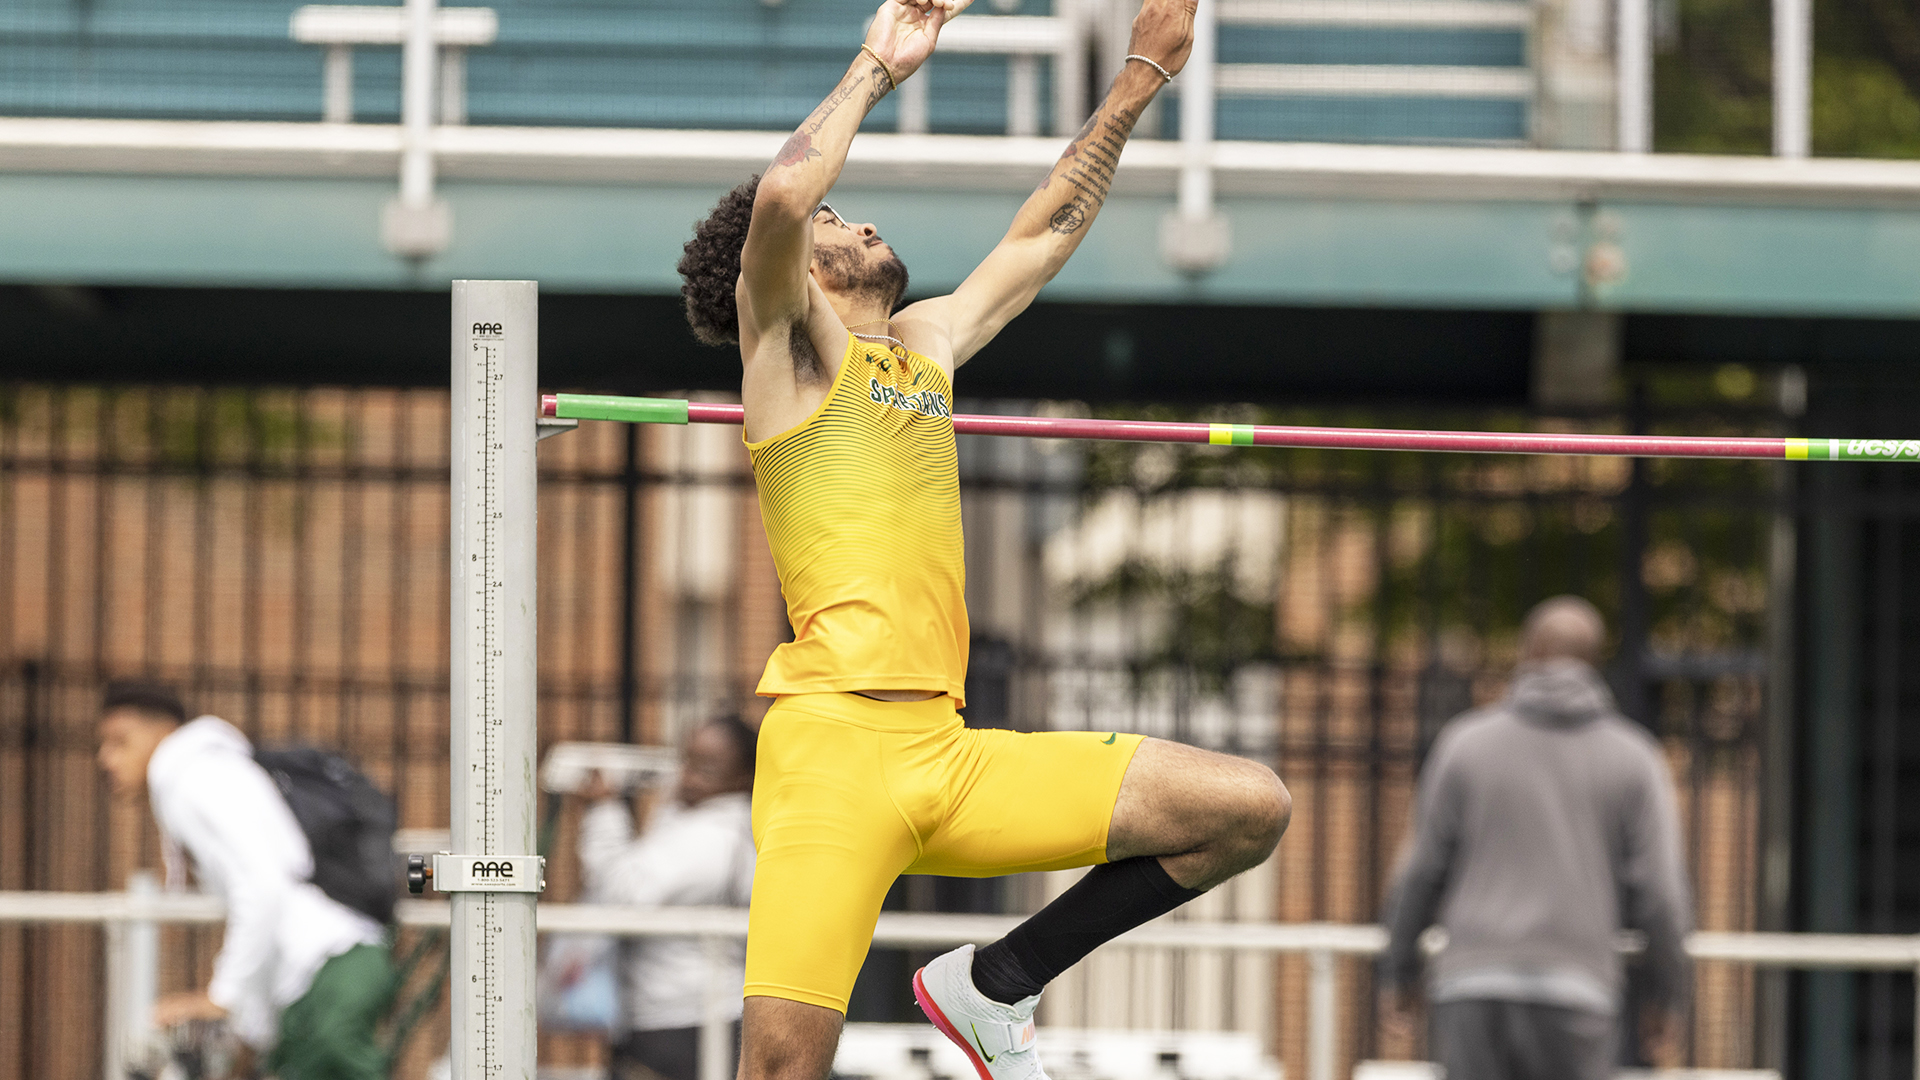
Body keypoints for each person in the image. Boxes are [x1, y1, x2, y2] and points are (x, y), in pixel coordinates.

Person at [671, 3, 1291, 1079]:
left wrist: (1139, 80)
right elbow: (781, 196)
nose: (860, 228)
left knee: (1244, 810)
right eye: (841, 223)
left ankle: (994, 984)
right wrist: (880, 62)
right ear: (794, 273)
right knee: (779, 1070)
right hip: (832, 760)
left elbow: (1044, 234)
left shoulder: (925, 347)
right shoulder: (786, 355)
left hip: (948, 754)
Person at [1379, 596, 1694, 1080]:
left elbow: (1420, 870)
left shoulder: (1464, 745)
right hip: (1577, 988)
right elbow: (1661, 892)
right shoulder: (1635, 758)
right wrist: (1666, 995)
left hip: (1473, 984)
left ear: (1526, 655)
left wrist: (1399, 974)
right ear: (1596, 661)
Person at [95, 680, 393, 1080]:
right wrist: (252, 1033)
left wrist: (223, 996)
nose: (105, 758)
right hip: (320, 978)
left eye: (120, 741)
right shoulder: (207, 773)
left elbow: (263, 887)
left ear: (162, 731)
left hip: (329, 975)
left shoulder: (192, 778)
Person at [577, 716, 759, 1080]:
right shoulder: (711, 826)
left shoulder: (714, 838)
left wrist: (603, 811)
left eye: (706, 768)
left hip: (684, 1021)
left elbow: (622, 894)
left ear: (743, 778)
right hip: (686, 1016)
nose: (688, 777)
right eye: (686, 762)